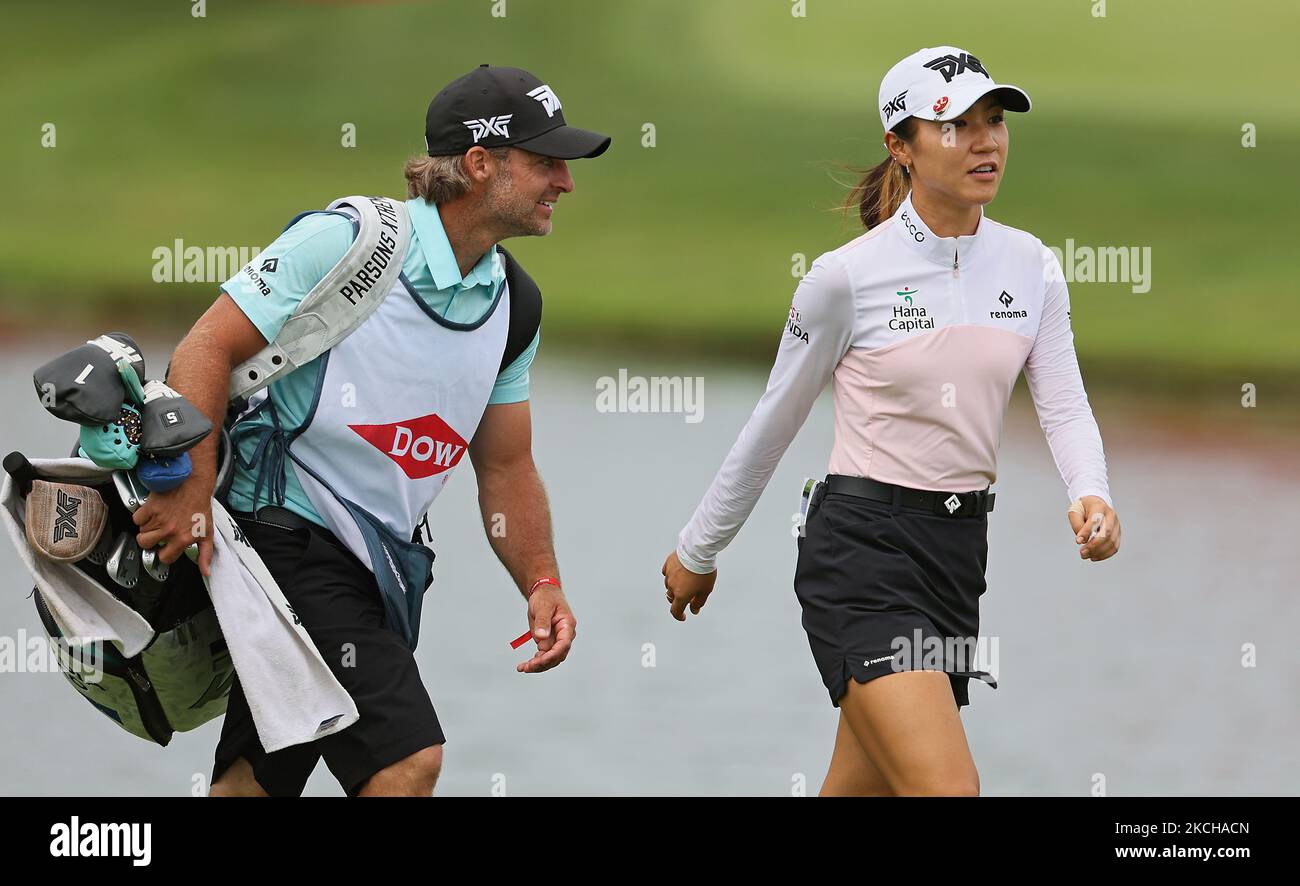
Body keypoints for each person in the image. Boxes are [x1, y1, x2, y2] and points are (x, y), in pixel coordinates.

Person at [131, 64, 610, 796]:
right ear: (481, 164)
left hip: (380, 569)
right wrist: (191, 489)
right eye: (547, 162)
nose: (566, 182)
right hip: (282, 537)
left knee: (249, 786)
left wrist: (540, 581)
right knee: (407, 762)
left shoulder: (516, 303)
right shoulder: (349, 240)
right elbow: (207, 345)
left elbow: (507, 467)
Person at [661, 46, 1121, 796]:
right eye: (955, 126)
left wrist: (1091, 492)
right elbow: (773, 423)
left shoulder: (1031, 265)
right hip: (862, 557)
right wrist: (699, 548)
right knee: (948, 791)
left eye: (995, 121)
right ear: (900, 148)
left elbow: (1063, 403)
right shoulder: (845, 278)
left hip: (956, 558)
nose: (985, 142)